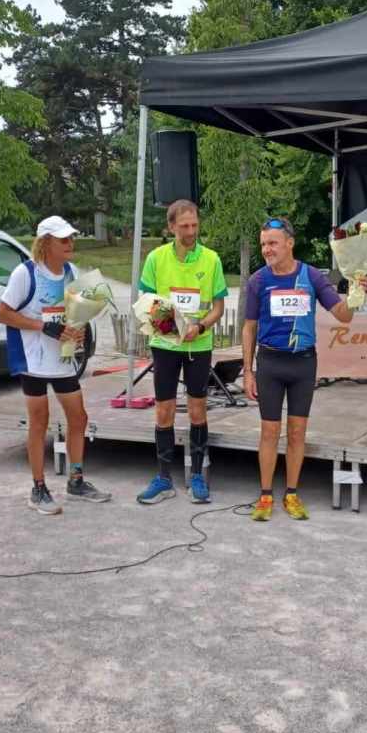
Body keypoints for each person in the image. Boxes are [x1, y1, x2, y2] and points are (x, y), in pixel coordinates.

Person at [241, 216, 365, 522]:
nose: (267, 249)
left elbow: (342, 315)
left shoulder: (310, 276)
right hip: (270, 362)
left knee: (297, 432)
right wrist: (247, 370)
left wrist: (356, 296)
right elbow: (249, 327)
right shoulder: (259, 280)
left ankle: (292, 494)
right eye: (263, 244)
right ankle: (266, 495)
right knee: (270, 431)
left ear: (289, 243)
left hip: (303, 363)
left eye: (272, 243)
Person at [0, 215, 111, 514]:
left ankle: (76, 479)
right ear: (46, 243)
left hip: (63, 359)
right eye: (63, 240)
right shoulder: (26, 274)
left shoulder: (72, 272)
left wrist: (80, 329)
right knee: (39, 422)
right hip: (32, 359)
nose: (70, 243)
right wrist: (42, 327)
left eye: (71, 238)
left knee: (79, 417)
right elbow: (3, 314)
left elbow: (75, 315)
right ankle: (38, 487)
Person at [136, 199, 227, 505]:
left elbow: (218, 307)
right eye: (184, 226)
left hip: (199, 345)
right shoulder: (156, 258)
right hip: (165, 345)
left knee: (198, 408)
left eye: (195, 225)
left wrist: (199, 327)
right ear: (171, 227)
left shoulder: (211, 259)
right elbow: (146, 301)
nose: (191, 231)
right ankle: (163, 477)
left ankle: (197, 476)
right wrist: (170, 328)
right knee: (164, 409)